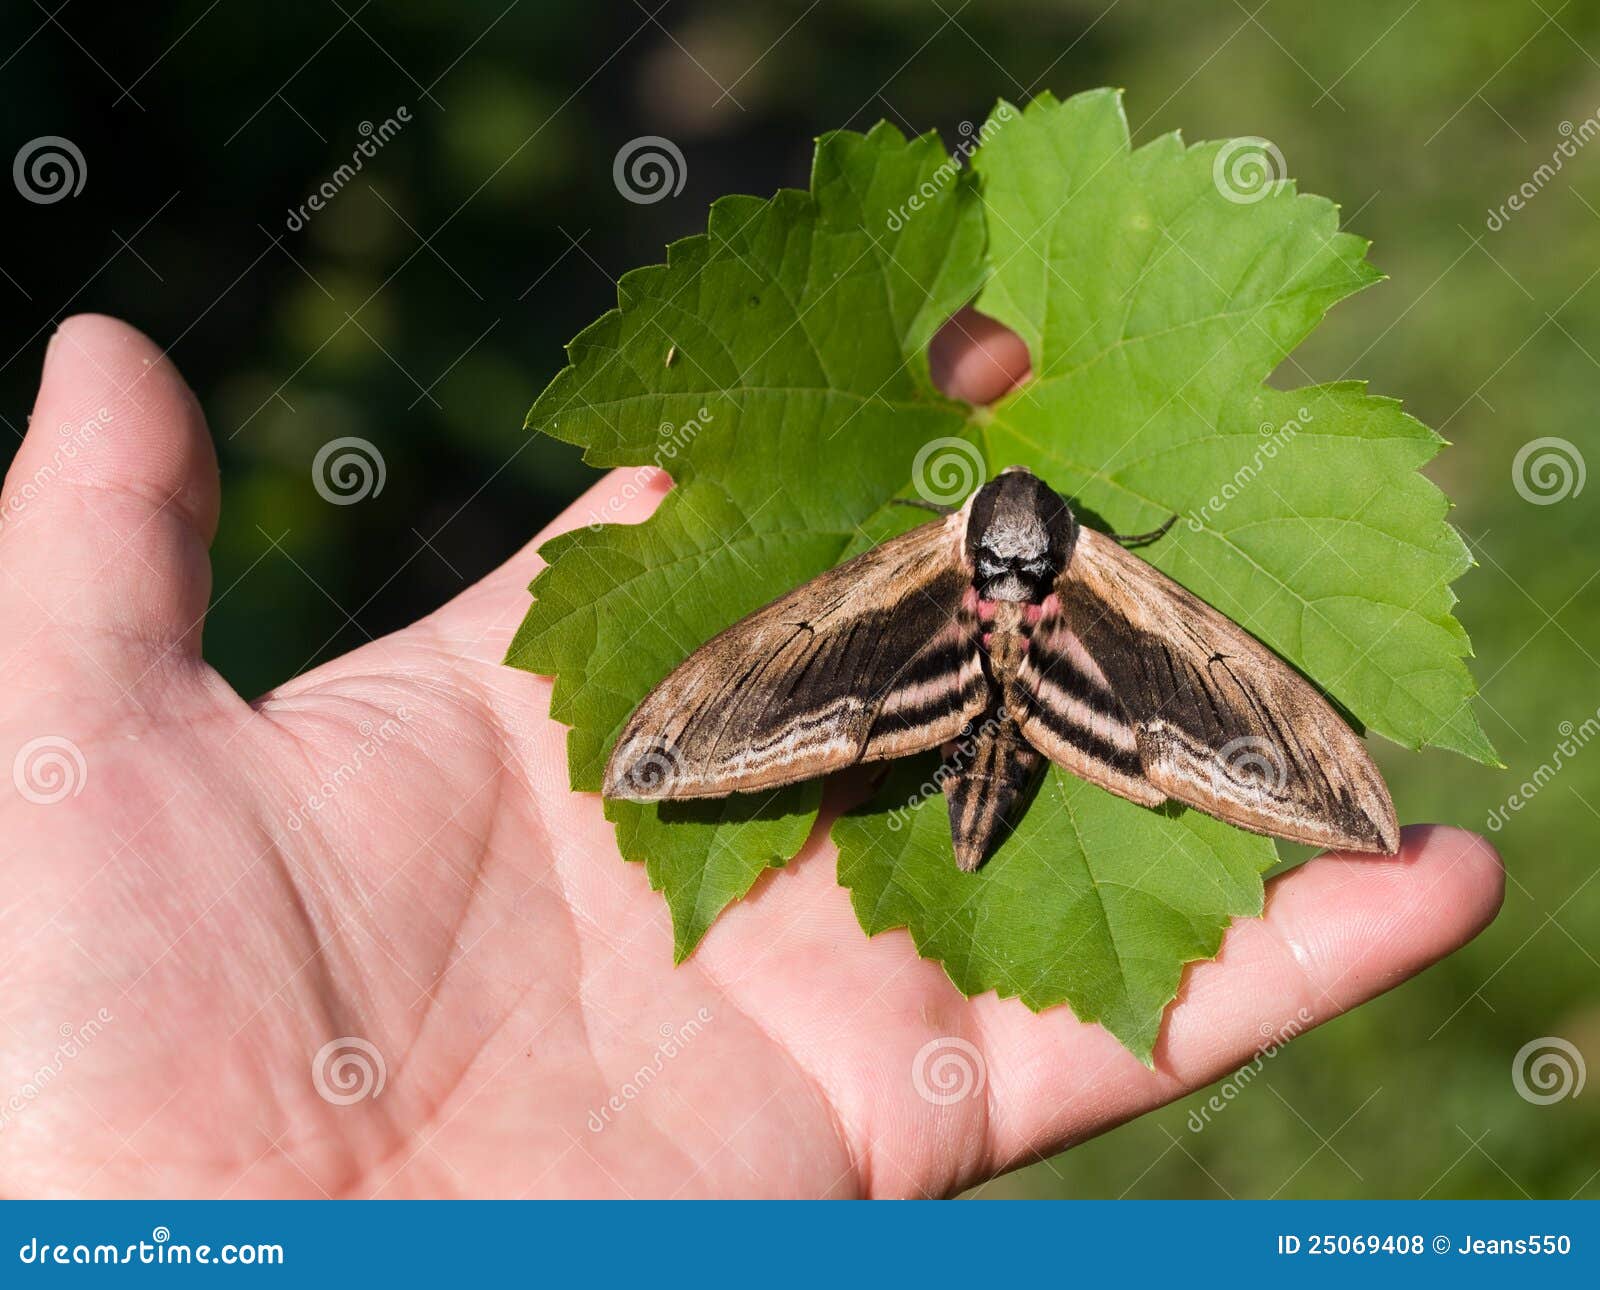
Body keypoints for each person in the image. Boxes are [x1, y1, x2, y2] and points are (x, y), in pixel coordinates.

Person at [0, 313, 1502, 1198]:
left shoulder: (914, 564)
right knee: (705, 726)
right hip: (1097, 694)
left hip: (916, 690)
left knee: (743, 695)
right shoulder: (1115, 579)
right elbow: (1227, 679)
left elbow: (772, 663)